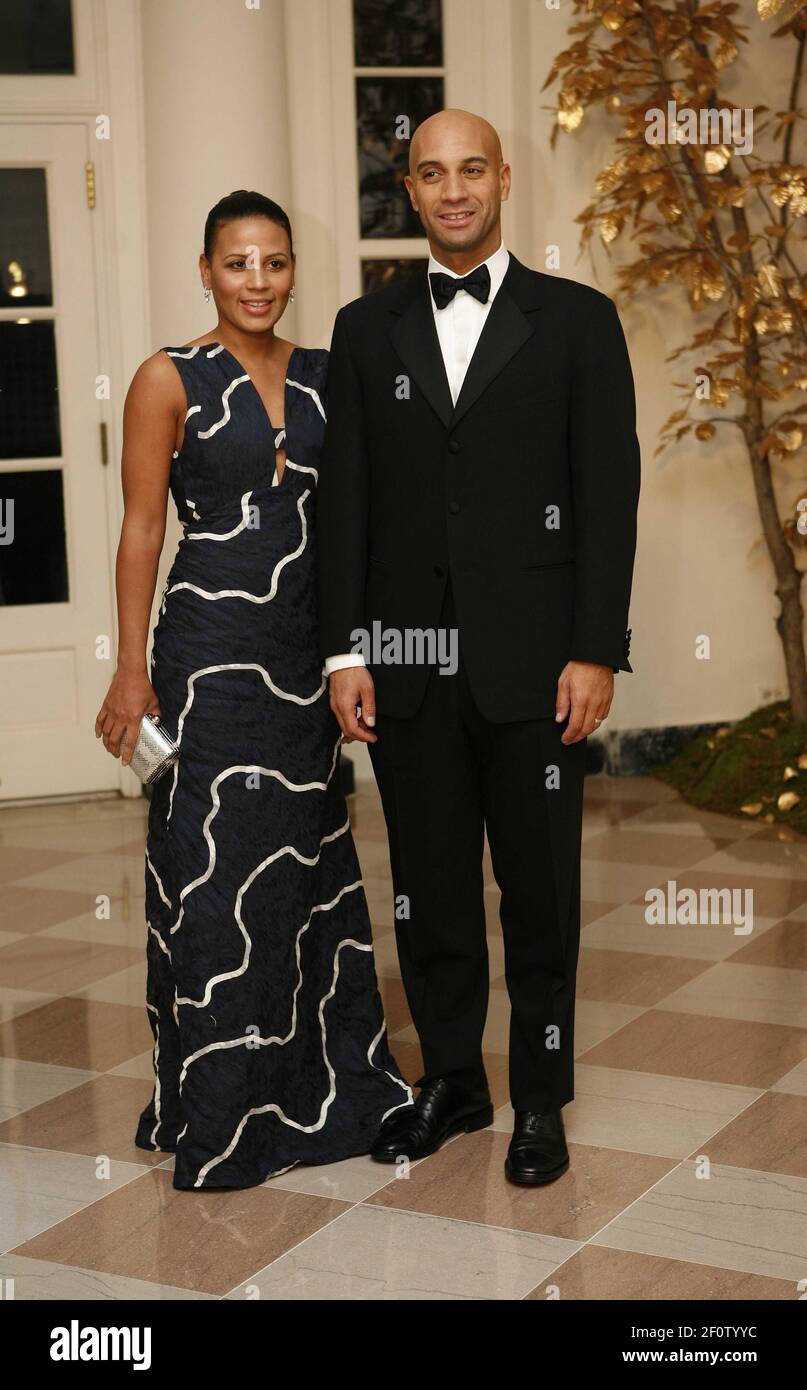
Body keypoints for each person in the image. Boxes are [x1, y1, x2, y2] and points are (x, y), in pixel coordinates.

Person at [317, 111, 640, 1186]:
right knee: (430, 884)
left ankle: (539, 1094)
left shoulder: (580, 322)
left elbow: (609, 498)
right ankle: (454, 1079)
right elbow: (347, 501)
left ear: (504, 178)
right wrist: (343, 652)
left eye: (471, 170)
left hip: (535, 663)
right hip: (405, 664)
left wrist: (595, 648)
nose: (453, 191)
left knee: (540, 892)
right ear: (409, 191)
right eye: (430, 174)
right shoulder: (365, 332)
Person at [95, 190, 412, 1191]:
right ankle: (222, 1112)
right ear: (205, 271)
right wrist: (132, 665)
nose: (259, 281)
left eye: (274, 262)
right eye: (238, 263)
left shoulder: (326, 378)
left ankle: (325, 1091)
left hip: (303, 657)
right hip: (210, 654)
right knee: (213, 873)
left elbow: (361, 517)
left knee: (305, 864)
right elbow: (144, 527)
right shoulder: (167, 378)